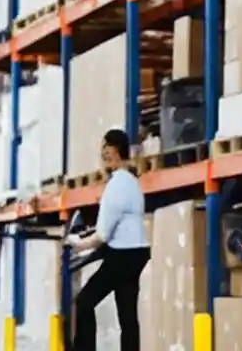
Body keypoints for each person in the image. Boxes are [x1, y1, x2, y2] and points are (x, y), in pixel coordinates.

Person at [65, 129, 150, 351]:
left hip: (121, 256)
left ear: (112, 153)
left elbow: (102, 235)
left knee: (84, 301)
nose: (103, 157)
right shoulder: (133, 183)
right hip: (138, 253)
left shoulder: (115, 186)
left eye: (105, 152)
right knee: (127, 316)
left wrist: (76, 243)